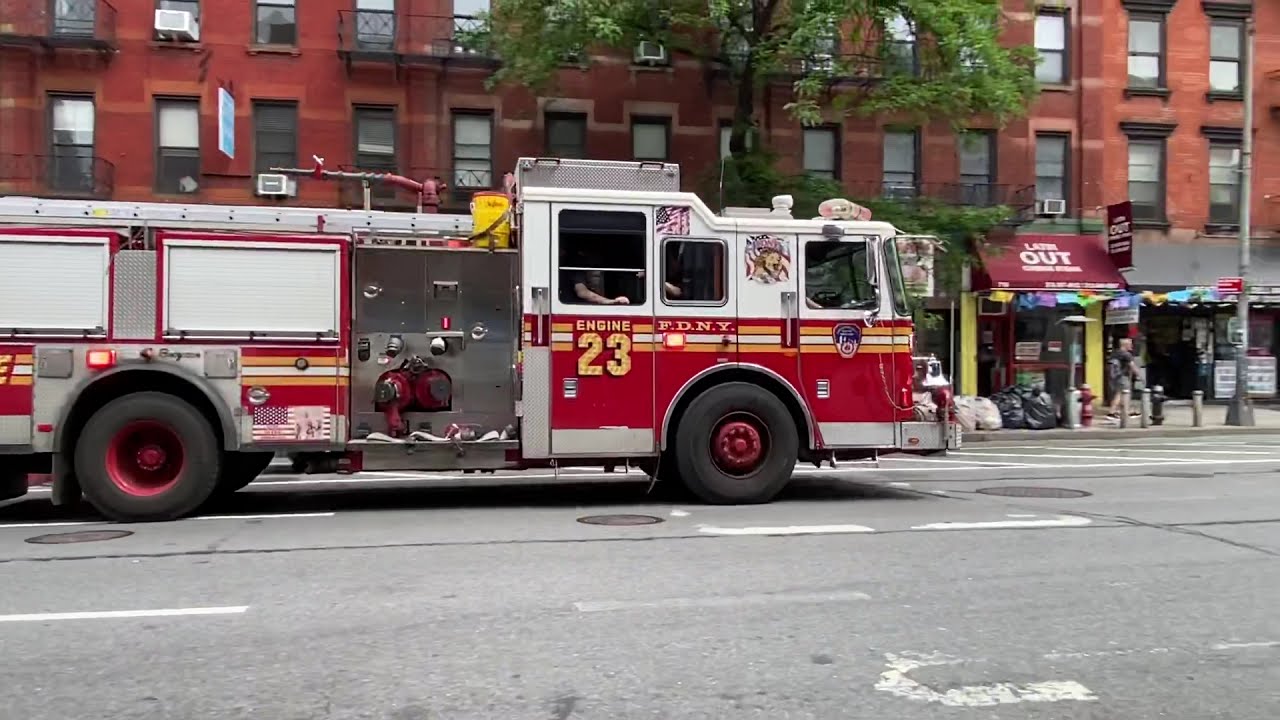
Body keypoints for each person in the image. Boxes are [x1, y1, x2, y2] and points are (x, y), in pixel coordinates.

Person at [1107, 337, 1141, 418]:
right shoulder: (1126, 354)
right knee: (1122, 393)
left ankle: (1125, 411)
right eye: (1130, 344)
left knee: (1120, 393)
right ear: (1126, 345)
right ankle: (1112, 412)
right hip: (1123, 376)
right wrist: (1140, 376)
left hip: (1115, 377)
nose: (1132, 346)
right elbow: (1132, 366)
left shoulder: (1115, 353)